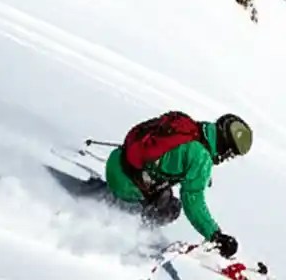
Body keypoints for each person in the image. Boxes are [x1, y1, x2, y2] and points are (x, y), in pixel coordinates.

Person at [104, 111, 252, 258]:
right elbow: (193, 202)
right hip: (124, 185)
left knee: (163, 190)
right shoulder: (201, 158)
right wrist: (215, 236)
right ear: (226, 149)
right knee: (172, 208)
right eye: (231, 155)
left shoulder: (190, 129)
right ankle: (134, 234)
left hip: (116, 161)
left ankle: (125, 204)